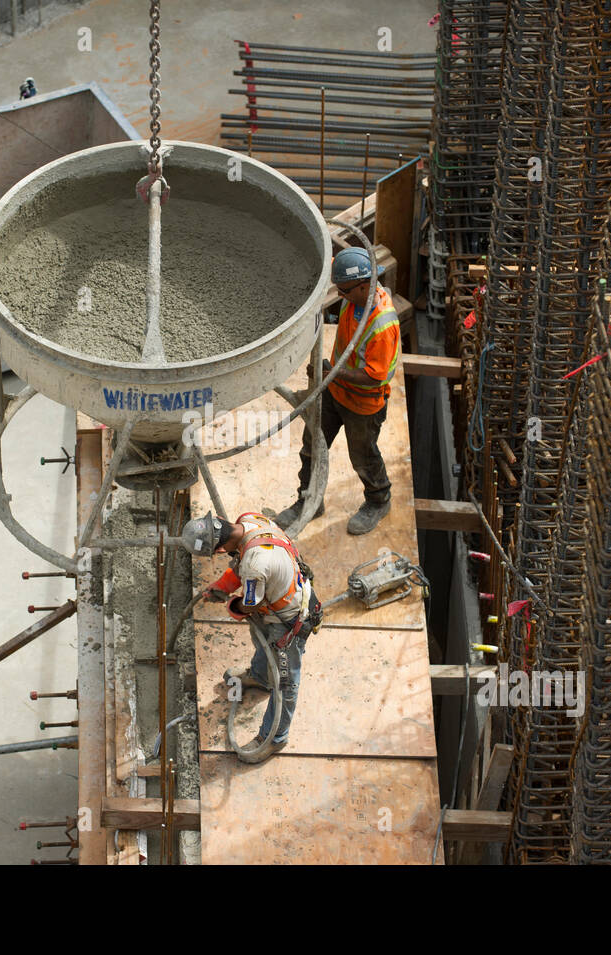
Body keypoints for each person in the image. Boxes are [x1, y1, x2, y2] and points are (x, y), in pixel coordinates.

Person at [277, 247, 400, 536]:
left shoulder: (383, 324)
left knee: (363, 456)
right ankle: (309, 500)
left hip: (363, 403)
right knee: (312, 445)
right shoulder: (352, 284)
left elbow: (374, 377)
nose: (340, 295)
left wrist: (333, 372)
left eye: (344, 291)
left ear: (364, 285)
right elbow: (326, 261)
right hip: (335, 390)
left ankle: (378, 501)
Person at [180, 510, 322, 760]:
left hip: (291, 621)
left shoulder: (255, 565)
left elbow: (250, 604)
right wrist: (223, 586)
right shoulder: (250, 519)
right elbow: (240, 566)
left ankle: (275, 737)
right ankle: (260, 678)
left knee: (286, 683)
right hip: (280, 600)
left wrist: (232, 606)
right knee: (263, 643)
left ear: (220, 550)